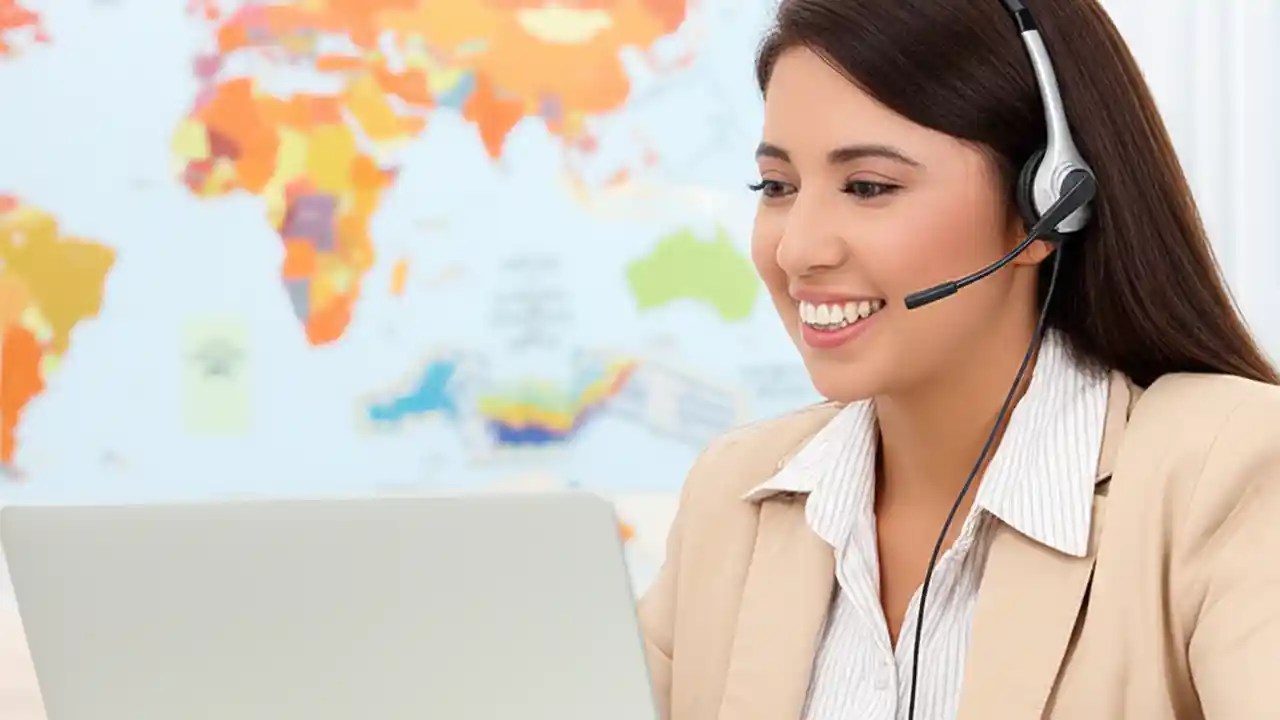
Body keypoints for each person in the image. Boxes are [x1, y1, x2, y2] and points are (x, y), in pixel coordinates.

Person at [636, 0, 1280, 719]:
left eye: (868, 187)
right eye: (777, 188)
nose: (797, 250)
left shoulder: (1229, 473)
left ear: (1047, 207)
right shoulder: (735, 498)